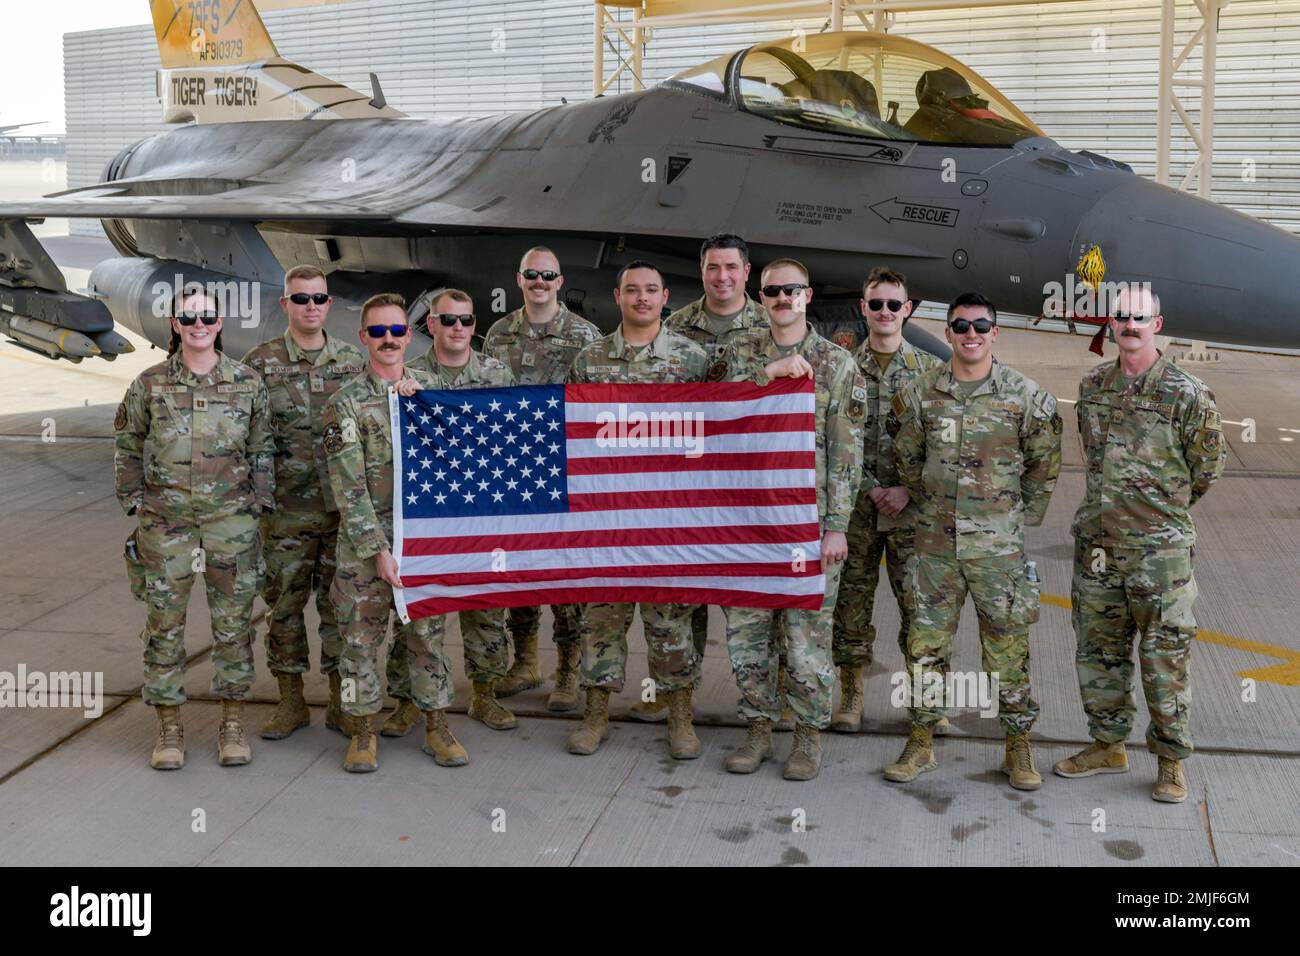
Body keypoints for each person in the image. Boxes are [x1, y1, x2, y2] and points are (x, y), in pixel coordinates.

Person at [884, 292, 1062, 791]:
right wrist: (930, 499)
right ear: (948, 333)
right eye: (961, 326)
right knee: (924, 647)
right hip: (935, 547)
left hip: (997, 552)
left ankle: (1017, 746)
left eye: (981, 326)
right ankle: (920, 740)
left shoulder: (1025, 396)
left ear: (995, 333)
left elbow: (1044, 464)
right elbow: (907, 459)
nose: (971, 335)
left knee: (1007, 651)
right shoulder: (920, 393)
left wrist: (1008, 516)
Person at [1055, 285, 1225, 803]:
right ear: (1111, 323)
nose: (1130, 325)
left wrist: (1159, 515)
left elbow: (1206, 469)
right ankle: (1107, 745)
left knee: (1164, 658)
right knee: (1099, 654)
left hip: (1160, 554)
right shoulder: (1092, 386)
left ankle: (1171, 761)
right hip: (1099, 549)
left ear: (1158, 323)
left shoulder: (1186, 393)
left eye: (1140, 318)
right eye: (1122, 316)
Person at [712, 258, 866, 781]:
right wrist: (765, 376)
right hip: (747, 523)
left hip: (810, 524)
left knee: (805, 638)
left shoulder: (835, 363)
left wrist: (837, 525)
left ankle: (806, 735)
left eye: (791, 290)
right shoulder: (738, 355)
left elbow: (847, 451)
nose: (782, 298)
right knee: (748, 634)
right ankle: (757, 726)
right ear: (760, 298)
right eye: (772, 291)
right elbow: (711, 414)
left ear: (808, 295)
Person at [114, 286, 274, 769]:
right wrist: (135, 501)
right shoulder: (150, 383)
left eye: (207, 315)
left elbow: (263, 446)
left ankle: (231, 722)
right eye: (189, 316)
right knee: (164, 627)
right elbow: (126, 442)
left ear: (220, 322)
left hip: (231, 525)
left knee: (233, 628)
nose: (198, 323)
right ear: (175, 324)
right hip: (168, 526)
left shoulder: (247, 382)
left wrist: (259, 502)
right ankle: (169, 727)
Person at [564, 260, 708, 760]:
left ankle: (679, 716)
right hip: (609, 518)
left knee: (670, 622)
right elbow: (573, 432)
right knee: (601, 620)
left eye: (651, 289)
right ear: (618, 296)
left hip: (669, 518)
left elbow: (722, 427)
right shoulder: (590, 360)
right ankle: (595, 713)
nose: (642, 298)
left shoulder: (694, 361)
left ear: (665, 296)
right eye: (632, 291)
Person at [323, 293, 464, 772]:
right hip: (367, 548)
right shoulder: (345, 404)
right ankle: (362, 730)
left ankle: (437, 724)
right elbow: (349, 488)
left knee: (428, 639)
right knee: (360, 642)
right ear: (363, 338)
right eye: (378, 331)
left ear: (411, 335)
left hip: (421, 544)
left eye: (397, 331)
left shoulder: (431, 393)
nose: (389, 339)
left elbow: (456, 468)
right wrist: (378, 550)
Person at [637, 232, 769, 723]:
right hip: (685, 485)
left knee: (748, 605)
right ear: (702, 272)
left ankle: (759, 707)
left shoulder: (768, 324)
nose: (722, 277)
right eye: (713, 268)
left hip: (742, 485)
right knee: (680, 601)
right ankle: (674, 701)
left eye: (731, 267)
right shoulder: (677, 326)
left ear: (746, 272)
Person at [381, 288, 519, 734]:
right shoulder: (409, 376)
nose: (457, 328)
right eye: (448, 320)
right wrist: (399, 400)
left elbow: (515, 434)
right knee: (419, 615)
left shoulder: (498, 375)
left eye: (465, 320)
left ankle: (485, 694)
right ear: (432, 325)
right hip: (430, 517)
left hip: (484, 513)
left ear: (474, 326)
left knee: (486, 611)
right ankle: (407, 700)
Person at [241, 265, 365, 740]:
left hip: (341, 513)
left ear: (329, 305)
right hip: (286, 514)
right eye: (301, 299)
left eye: (318, 299)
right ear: (285, 304)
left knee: (341, 609)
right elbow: (246, 433)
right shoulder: (261, 363)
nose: (310, 306)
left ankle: (340, 702)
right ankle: (291, 701)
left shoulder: (353, 361)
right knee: (284, 609)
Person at [481, 247, 600, 710]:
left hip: (564, 470)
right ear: (519, 278)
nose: (539, 281)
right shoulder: (497, 334)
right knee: (519, 569)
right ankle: (525, 661)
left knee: (564, 575)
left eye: (547, 275)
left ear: (559, 280)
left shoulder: (585, 336)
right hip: (513, 470)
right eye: (531, 274)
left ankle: (567, 669)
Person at [830, 266, 944, 734]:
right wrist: (868, 487)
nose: (884, 312)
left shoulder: (930, 372)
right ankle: (853, 696)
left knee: (921, 612)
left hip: (910, 514)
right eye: (875, 304)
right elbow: (832, 439)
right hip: (855, 510)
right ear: (863, 308)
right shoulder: (841, 367)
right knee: (850, 608)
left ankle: (927, 707)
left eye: (893, 304)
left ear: (907, 309)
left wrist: (907, 489)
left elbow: (943, 443)